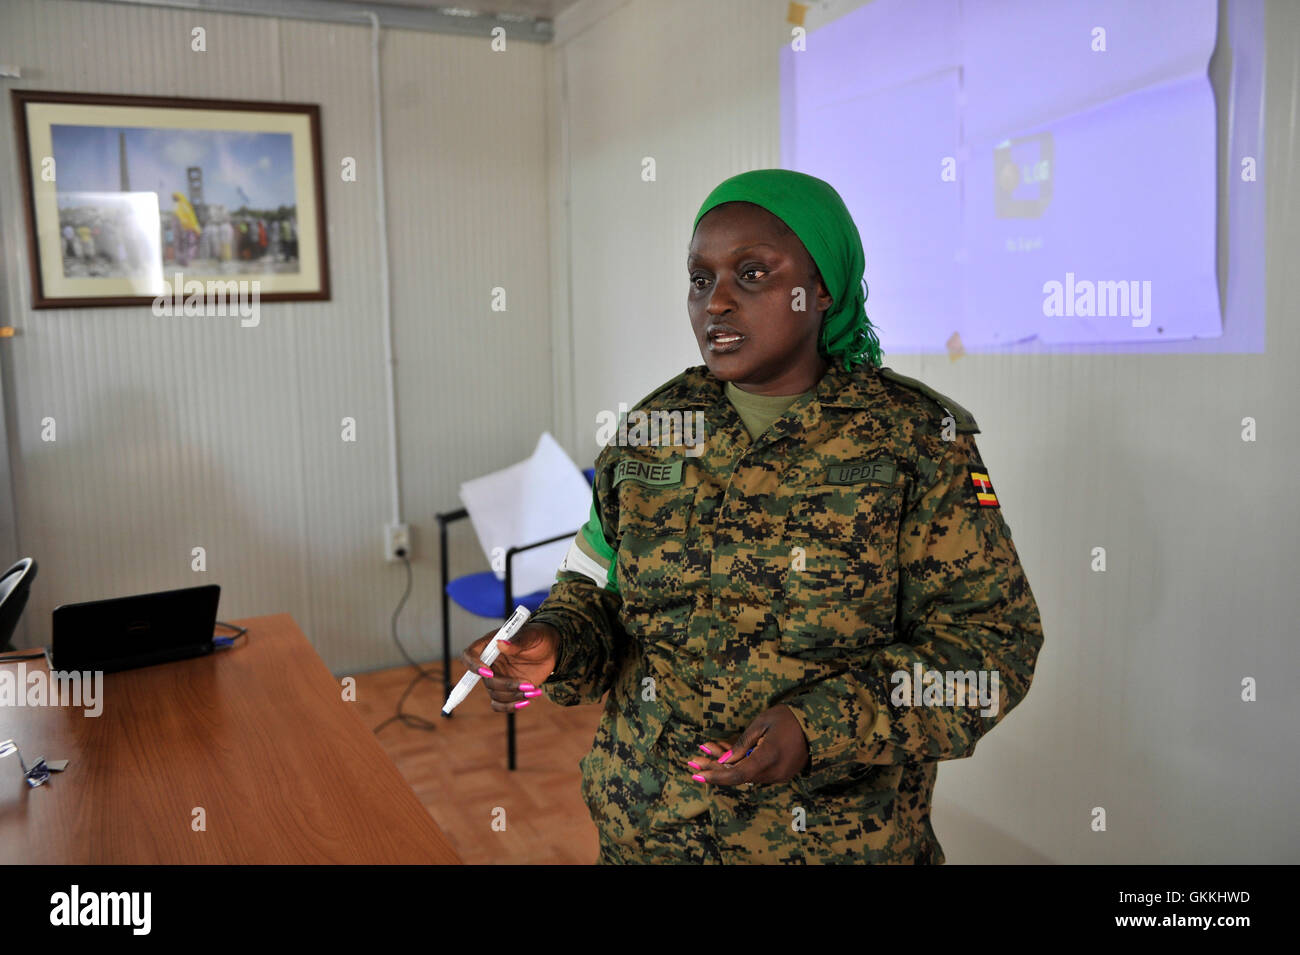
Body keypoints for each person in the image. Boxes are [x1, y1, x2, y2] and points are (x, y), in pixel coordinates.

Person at [461, 168, 1045, 864]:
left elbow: (990, 647)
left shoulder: (916, 441)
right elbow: (594, 593)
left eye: (752, 273)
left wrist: (818, 725)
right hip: (651, 835)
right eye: (700, 279)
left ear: (822, 287)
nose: (718, 303)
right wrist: (554, 642)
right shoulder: (652, 432)